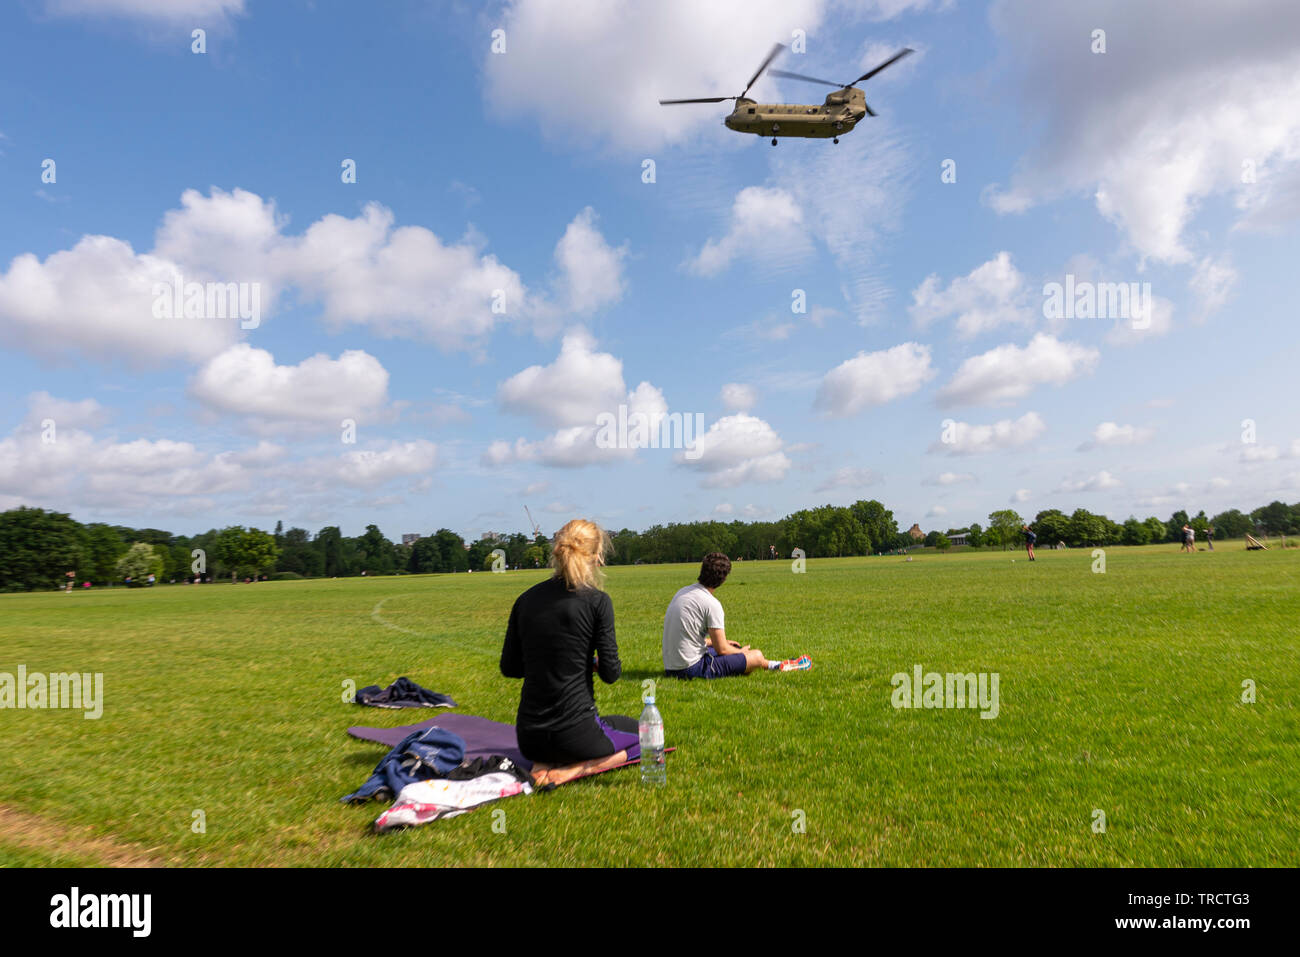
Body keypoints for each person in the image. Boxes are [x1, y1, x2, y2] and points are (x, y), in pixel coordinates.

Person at [500, 518, 638, 788]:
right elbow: (611, 674)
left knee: (558, 743)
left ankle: (543, 766)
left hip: (530, 738)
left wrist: (550, 659)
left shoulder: (525, 600)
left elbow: (511, 668)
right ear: (597, 557)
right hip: (577, 735)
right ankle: (577, 769)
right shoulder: (598, 601)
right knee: (649, 733)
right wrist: (589, 662)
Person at [662, 552, 810, 679]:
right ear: (724, 578)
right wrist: (741, 652)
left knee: (733, 645)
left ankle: (766, 664)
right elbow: (723, 650)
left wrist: (718, 643)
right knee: (755, 655)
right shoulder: (711, 604)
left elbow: (687, 636)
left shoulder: (682, 592)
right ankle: (777, 665)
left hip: (671, 666)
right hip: (690, 669)